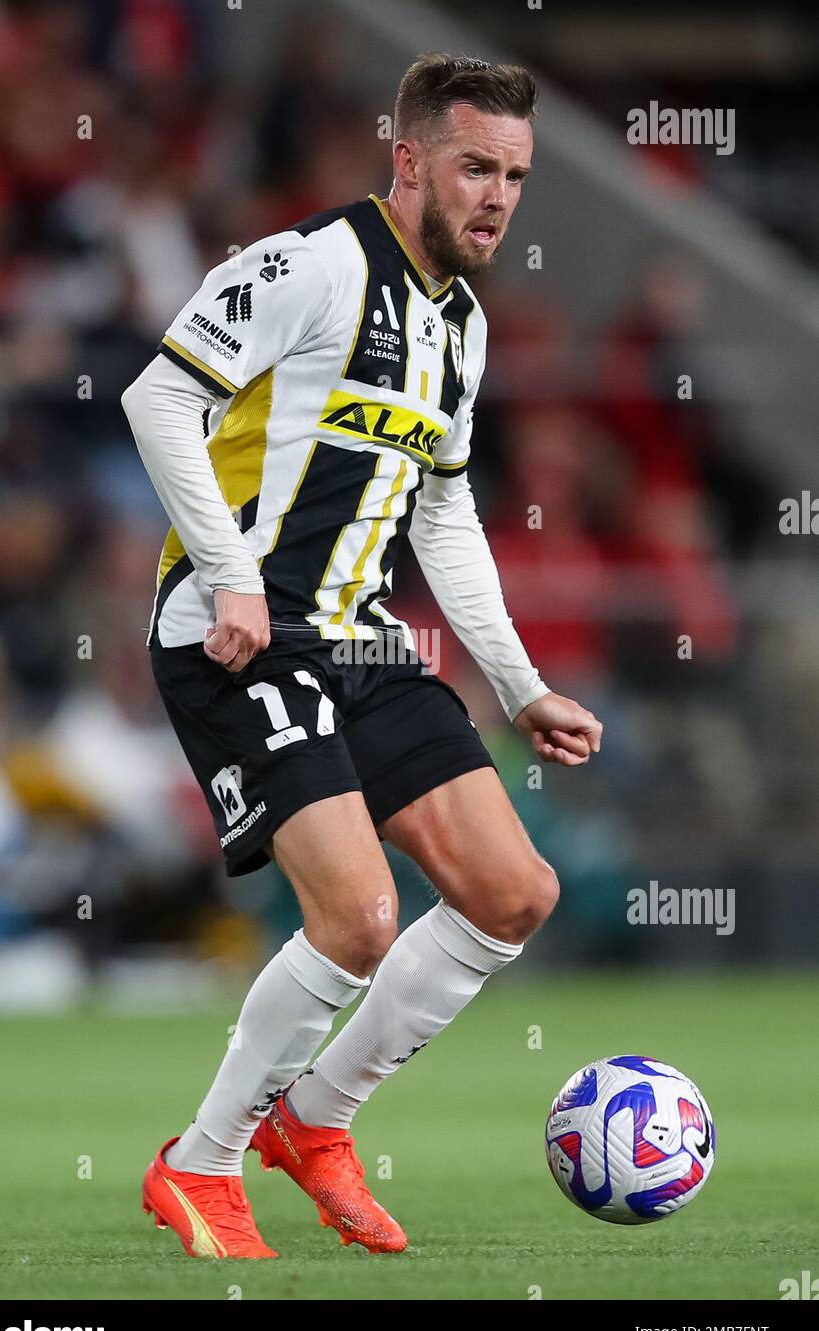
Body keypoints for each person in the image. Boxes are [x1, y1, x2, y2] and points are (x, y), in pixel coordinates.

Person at [121, 52, 603, 1260]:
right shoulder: (312, 264)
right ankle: (199, 1161)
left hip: (363, 642)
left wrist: (517, 680)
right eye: (472, 168)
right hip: (238, 631)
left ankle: (315, 1121)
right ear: (407, 160)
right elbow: (154, 400)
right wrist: (229, 571)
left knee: (512, 892)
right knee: (358, 915)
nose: (495, 196)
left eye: (514, 176)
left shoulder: (462, 328)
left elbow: (439, 514)